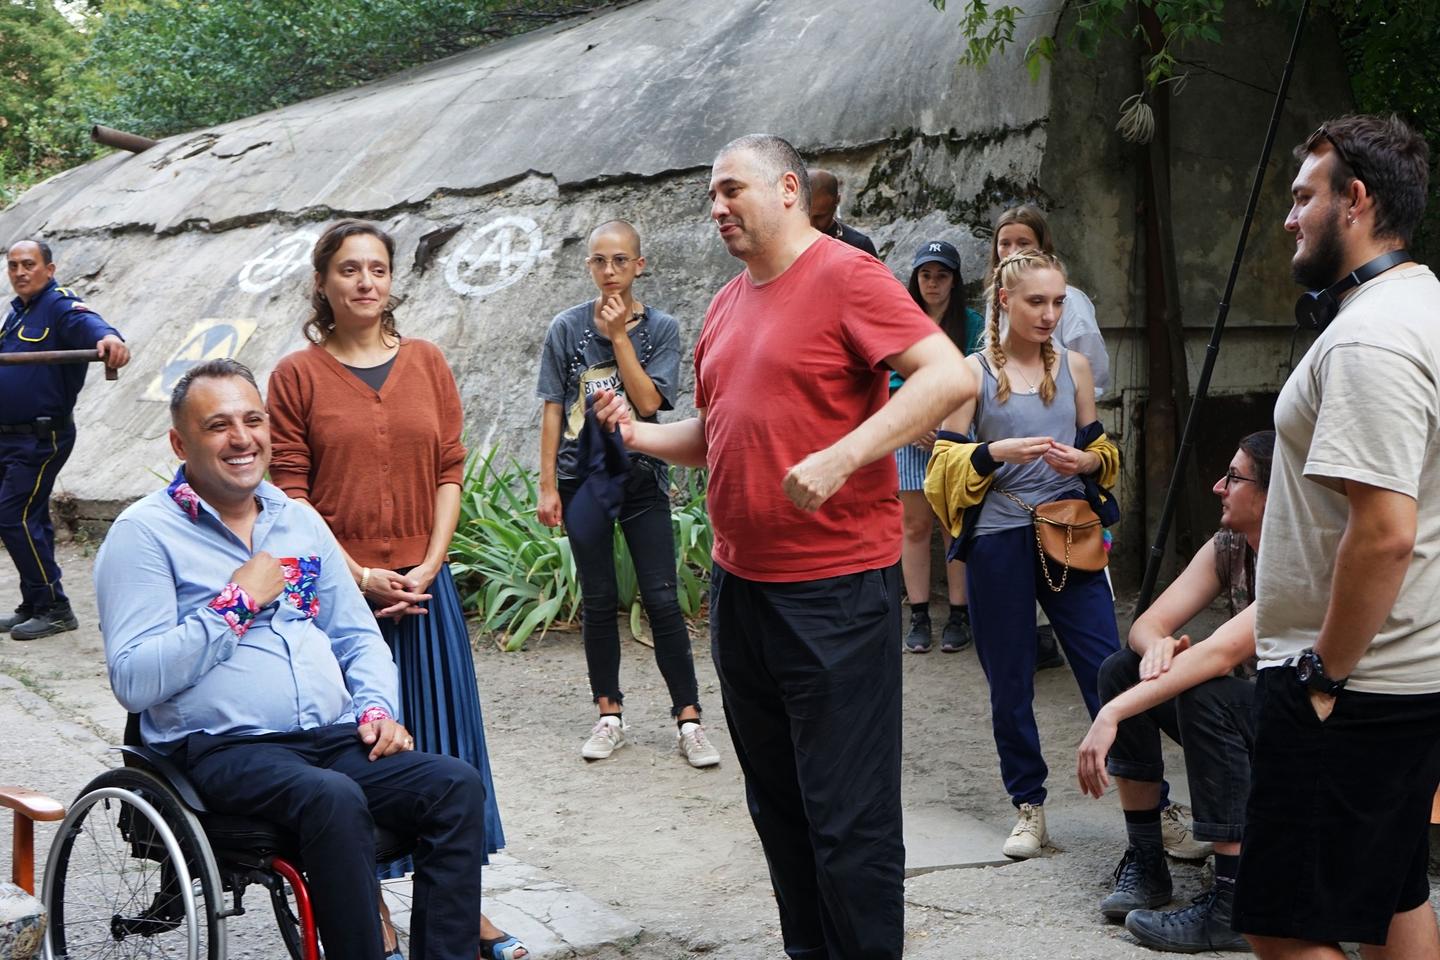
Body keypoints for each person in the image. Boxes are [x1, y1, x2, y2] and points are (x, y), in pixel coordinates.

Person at [594, 134, 970, 960]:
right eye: (712, 195)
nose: (718, 206)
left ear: (789, 188)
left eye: (732, 189)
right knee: (780, 809)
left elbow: (950, 376)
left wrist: (844, 456)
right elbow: (717, 434)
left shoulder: (847, 276)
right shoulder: (728, 305)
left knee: (848, 818)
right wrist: (639, 434)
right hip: (742, 593)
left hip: (835, 594)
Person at [95, 359, 488, 960]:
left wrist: (377, 709)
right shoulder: (144, 534)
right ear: (180, 443)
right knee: (331, 797)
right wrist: (236, 604)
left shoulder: (298, 520)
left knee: (453, 785)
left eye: (253, 420)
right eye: (218, 425)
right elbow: (134, 680)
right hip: (223, 751)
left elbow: (357, 636)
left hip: (330, 738)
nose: (241, 438)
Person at [266, 221, 523, 960]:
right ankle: (369, 905)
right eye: (349, 269)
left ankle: (462, 909)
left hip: (424, 593)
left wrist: (431, 563)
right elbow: (291, 493)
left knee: (445, 747)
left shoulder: (427, 362)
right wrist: (358, 576)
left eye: (377, 268)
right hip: (338, 602)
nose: (365, 282)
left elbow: (449, 469)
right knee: (357, 752)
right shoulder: (296, 376)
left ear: (392, 280)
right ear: (323, 283)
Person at [1235, 114, 1440, 960]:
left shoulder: (1370, 337)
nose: (1289, 218)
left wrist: (1322, 676)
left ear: (1355, 201)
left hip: (1356, 687)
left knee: (1282, 927)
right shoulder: (1422, 304)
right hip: (1400, 678)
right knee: (1393, 897)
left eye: (1302, 198)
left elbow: (1386, 533)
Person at [925, 249, 1120, 859]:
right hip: (998, 538)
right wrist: (994, 452)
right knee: (1009, 680)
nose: (1050, 314)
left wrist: (1086, 461)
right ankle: (1028, 806)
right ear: (1005, 300)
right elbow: (942, 465)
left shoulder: (1076, 367)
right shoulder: (971, 373)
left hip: (1070, 529)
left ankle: (1154, 803)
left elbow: (1102, 453)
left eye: (1058, 301)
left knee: (1108, 669)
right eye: (1037, 301)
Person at [1077, 431, 1274, 953]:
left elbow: (1220, 655)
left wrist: (1112, 714)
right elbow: (1146, 624)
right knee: (1122, 669)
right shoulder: (1230, 545)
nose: (1218, 487)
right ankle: (1146, 862)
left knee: (1207, 696)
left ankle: (1234, 904)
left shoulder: (1300, 555)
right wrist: (1158, 647)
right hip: (1263, 715)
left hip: (1315, 730)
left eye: (1234, 478)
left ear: (1272, 494)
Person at [535, 220, 718, 768]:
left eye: (619, 260)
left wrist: (619, 337)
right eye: (599, 260)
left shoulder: (661, 328)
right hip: (582, 480)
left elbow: (649, 403)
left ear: (640, 265)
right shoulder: (566, 328)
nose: (609, 271)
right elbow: (552, 408)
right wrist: (547, 485)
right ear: (588, 266)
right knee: (597, 599)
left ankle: (689, 720)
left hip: (641, 477)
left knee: (661, 597)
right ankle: (609, 714)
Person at [2, 239, 129, 640]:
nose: (20, 272)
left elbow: (90, 324)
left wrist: (109, 338)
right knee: (32, 518)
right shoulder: (18, 313)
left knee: (12, 516)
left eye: (28, 264)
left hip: (41, 438)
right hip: (9, 438)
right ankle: (35, 602)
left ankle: (56, 608)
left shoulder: (58, 305)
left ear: (49, 269)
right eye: (13, 266)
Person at [896, 240, 984, 654]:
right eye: (926, 275)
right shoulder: (901, 318)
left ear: (954, 280)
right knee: (914, 525)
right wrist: (914, 421)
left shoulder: (971, 323)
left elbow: (974, 377)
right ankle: (918, 614)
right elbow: (888, 376)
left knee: (954, 526)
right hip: (908, 434)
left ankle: (958, 614)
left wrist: (946, 427)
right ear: (915, 278)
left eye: (941, 275)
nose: (932, 283)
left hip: (955, 436)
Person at [807, 168, 879, 256]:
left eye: (820, 217)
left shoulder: (858, 246)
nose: (812, 225)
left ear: (837, 200)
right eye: (805, 216)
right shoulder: (790, 238)